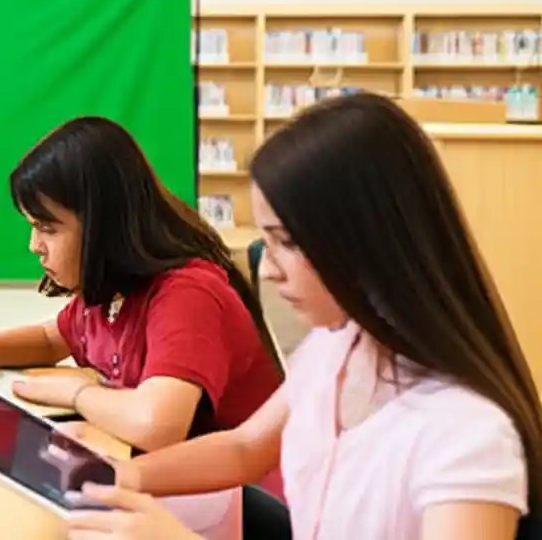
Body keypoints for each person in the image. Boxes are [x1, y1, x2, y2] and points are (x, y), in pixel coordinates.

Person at [64, 93, 542, 540]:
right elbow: (245, 448)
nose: (268, 271)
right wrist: (118, 476)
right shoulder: (337, 345)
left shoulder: (465, 434)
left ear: (368, 242)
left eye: (286, 243)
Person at [0, 116, 283, 463]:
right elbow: (53, 338)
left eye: (47, 228)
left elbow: (158, 425)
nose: (34, 245)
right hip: (180, 482)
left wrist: (77, 395)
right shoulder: (111, 288)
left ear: (102, 226)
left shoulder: (187, 294)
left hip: (242, 502)